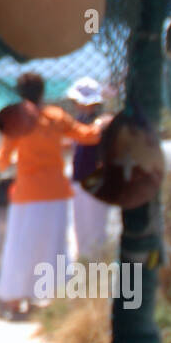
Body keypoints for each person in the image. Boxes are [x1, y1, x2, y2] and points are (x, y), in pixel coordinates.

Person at [0, 71, 105, 318]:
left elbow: (3, 159)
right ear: (43, 92)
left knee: (20, 245)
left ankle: (15, 299)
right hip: (55, 192)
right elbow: (88, 136)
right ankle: (49, 296)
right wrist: (100, 123)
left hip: (26, 193)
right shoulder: (56, 116)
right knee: (54, 247)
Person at [65, 76, 115, 260]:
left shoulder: (103, 122)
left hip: (96, 179)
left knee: (96, 229)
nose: (78, 104)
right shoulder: (80, 121)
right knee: (82, 229)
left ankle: (98, 267)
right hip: (79, 180)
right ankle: (87, 268)